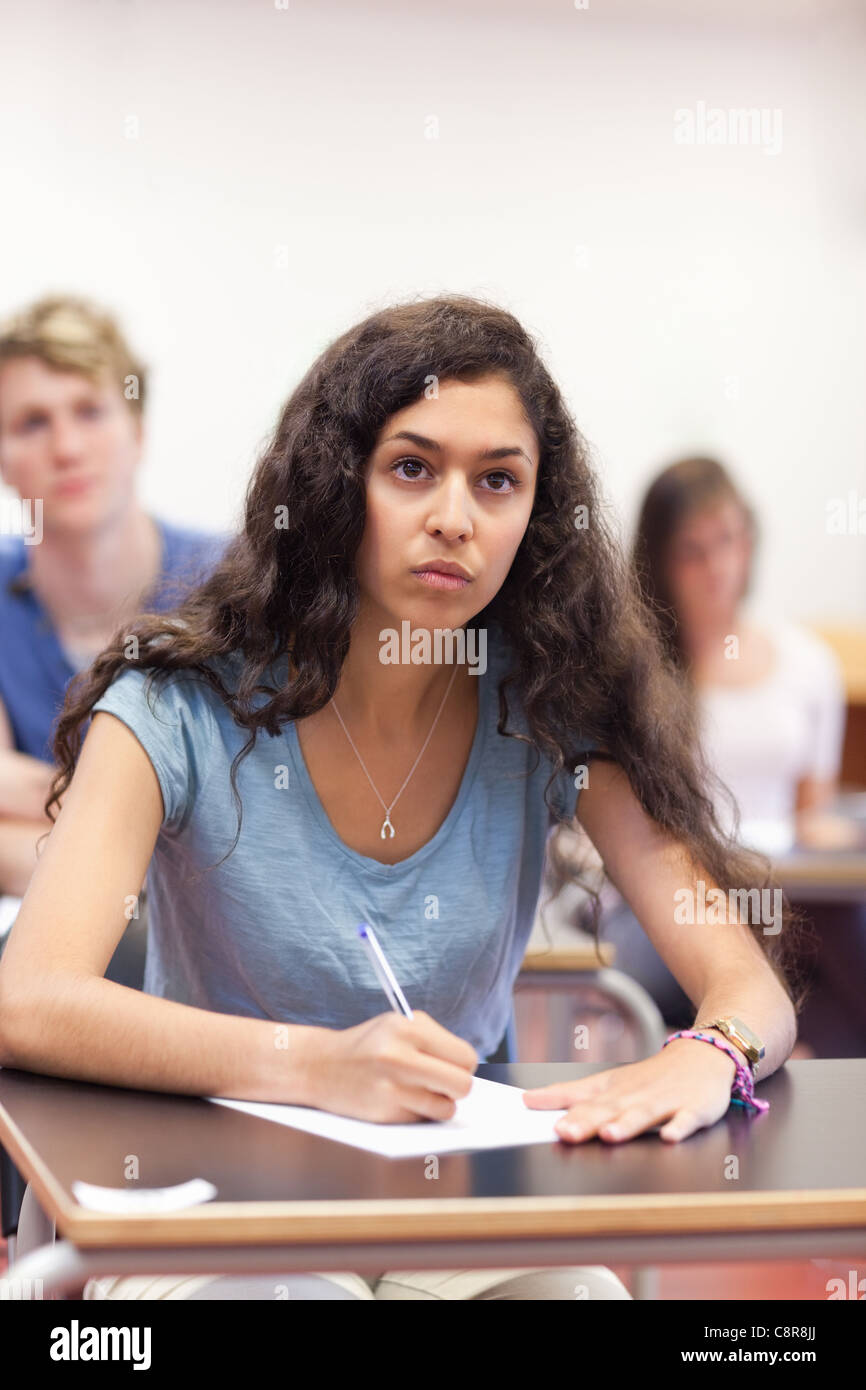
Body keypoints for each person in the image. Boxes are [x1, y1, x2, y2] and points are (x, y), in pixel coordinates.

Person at [0, 296, 802, 1300]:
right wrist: (318, 1064)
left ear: (534, 514)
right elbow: (25, 999)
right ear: (338, 486)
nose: (454, 517)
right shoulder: (172, 702)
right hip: (215, 1202)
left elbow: (749, 990)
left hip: (449, 1204)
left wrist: (709, 1053)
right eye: (412, 468)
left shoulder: (549, 701)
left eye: (498, 480)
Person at [0, 295, 229, 980]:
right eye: (31, 422)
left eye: (90, 411)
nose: (66, 447)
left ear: (138, 430)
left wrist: (51, 806)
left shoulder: (235, 588)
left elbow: (248, 832)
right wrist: (151, 818)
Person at [593, 455, 846, 1026]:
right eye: (693, 551)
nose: (718, 567)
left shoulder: (810, 665)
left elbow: (814, 815)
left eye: (729, 541)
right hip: (671, 894)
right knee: (667, 961)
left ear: (750, 543)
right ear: (659, 559)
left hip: (790, 895)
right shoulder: (633, 675)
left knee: (844, 933)